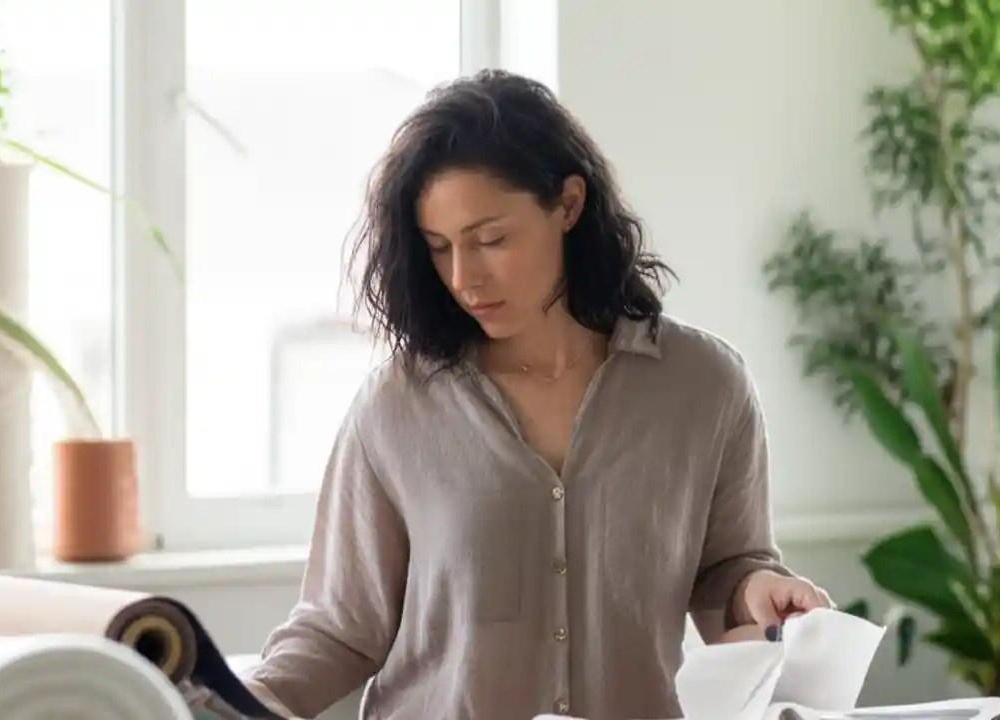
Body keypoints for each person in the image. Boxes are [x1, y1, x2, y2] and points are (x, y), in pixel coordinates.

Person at [241, 69, 833, 720]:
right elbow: (339, 627)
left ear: (569, 205)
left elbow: (726, 571)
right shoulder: (397, 405)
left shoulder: (705, 387)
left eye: (491, 239)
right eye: (440, 248)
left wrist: (759, 589)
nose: (465, 278)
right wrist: (238, 703)